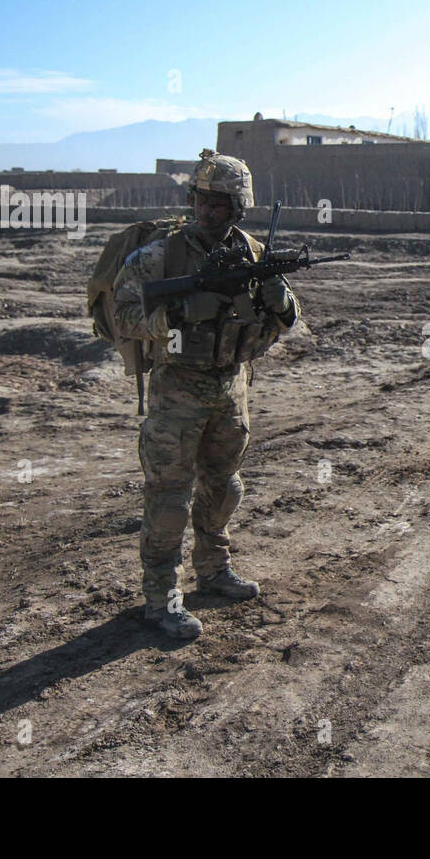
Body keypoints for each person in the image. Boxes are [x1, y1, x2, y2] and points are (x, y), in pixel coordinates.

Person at [112, 150, 300, 639]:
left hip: (230, 386)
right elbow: (122, 314)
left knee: (224, 488)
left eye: (219, 203)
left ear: (238, 207)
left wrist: (282, 302)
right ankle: (161, 598)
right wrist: (176, 315)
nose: (207, 211)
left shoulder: (254, 254)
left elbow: (287, 319)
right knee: (170, 499)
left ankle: (214, 570)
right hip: (176, 390)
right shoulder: (161, 256)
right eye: (201, 200)